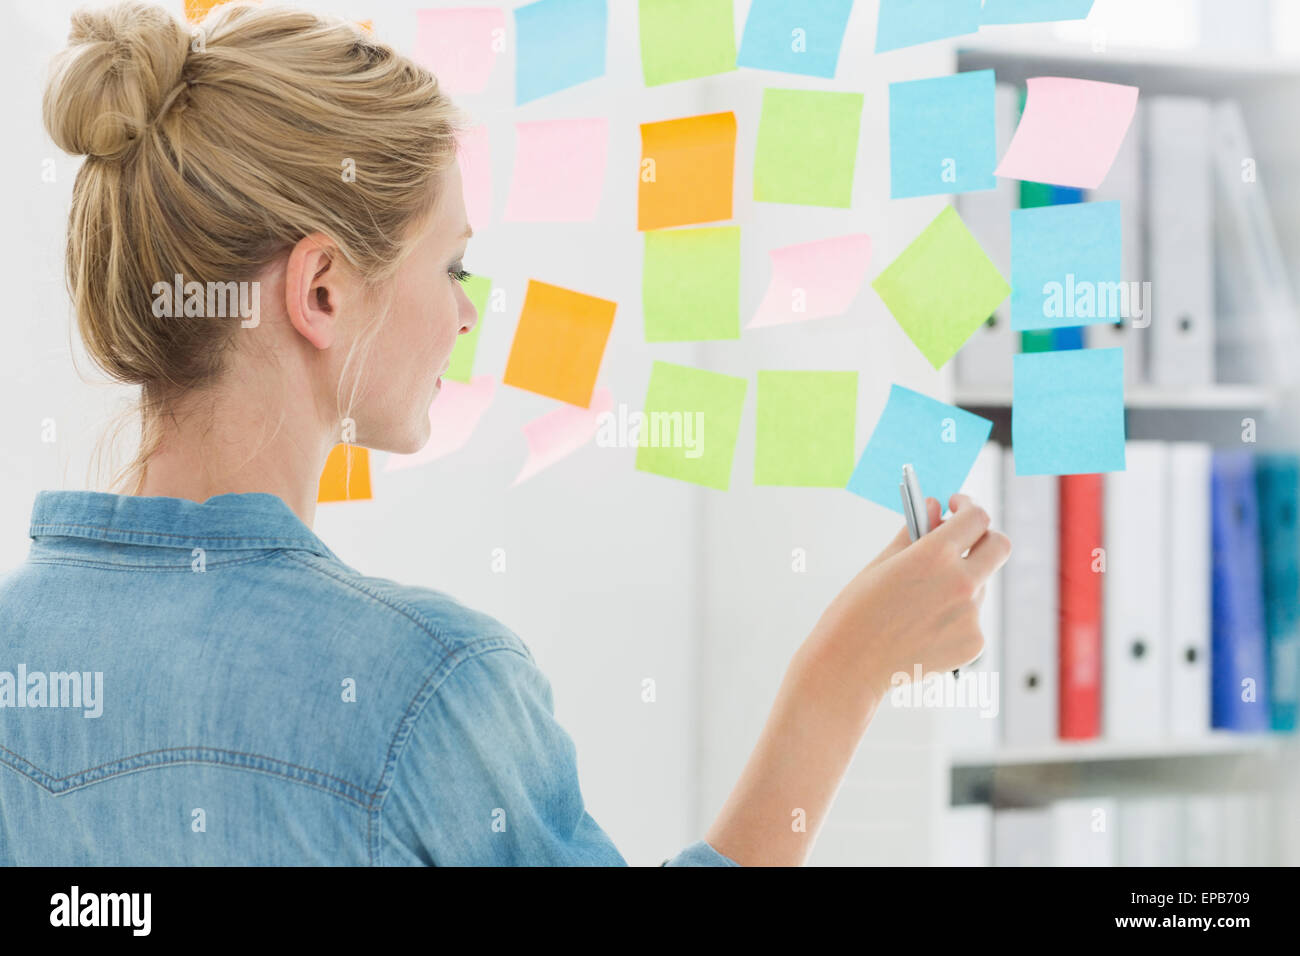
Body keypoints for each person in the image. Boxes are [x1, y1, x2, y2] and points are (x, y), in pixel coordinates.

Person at [0, 0, 1009, 866]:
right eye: (450, 268)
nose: (467, 315)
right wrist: (844, 673)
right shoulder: (424, 684)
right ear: (320, 289)